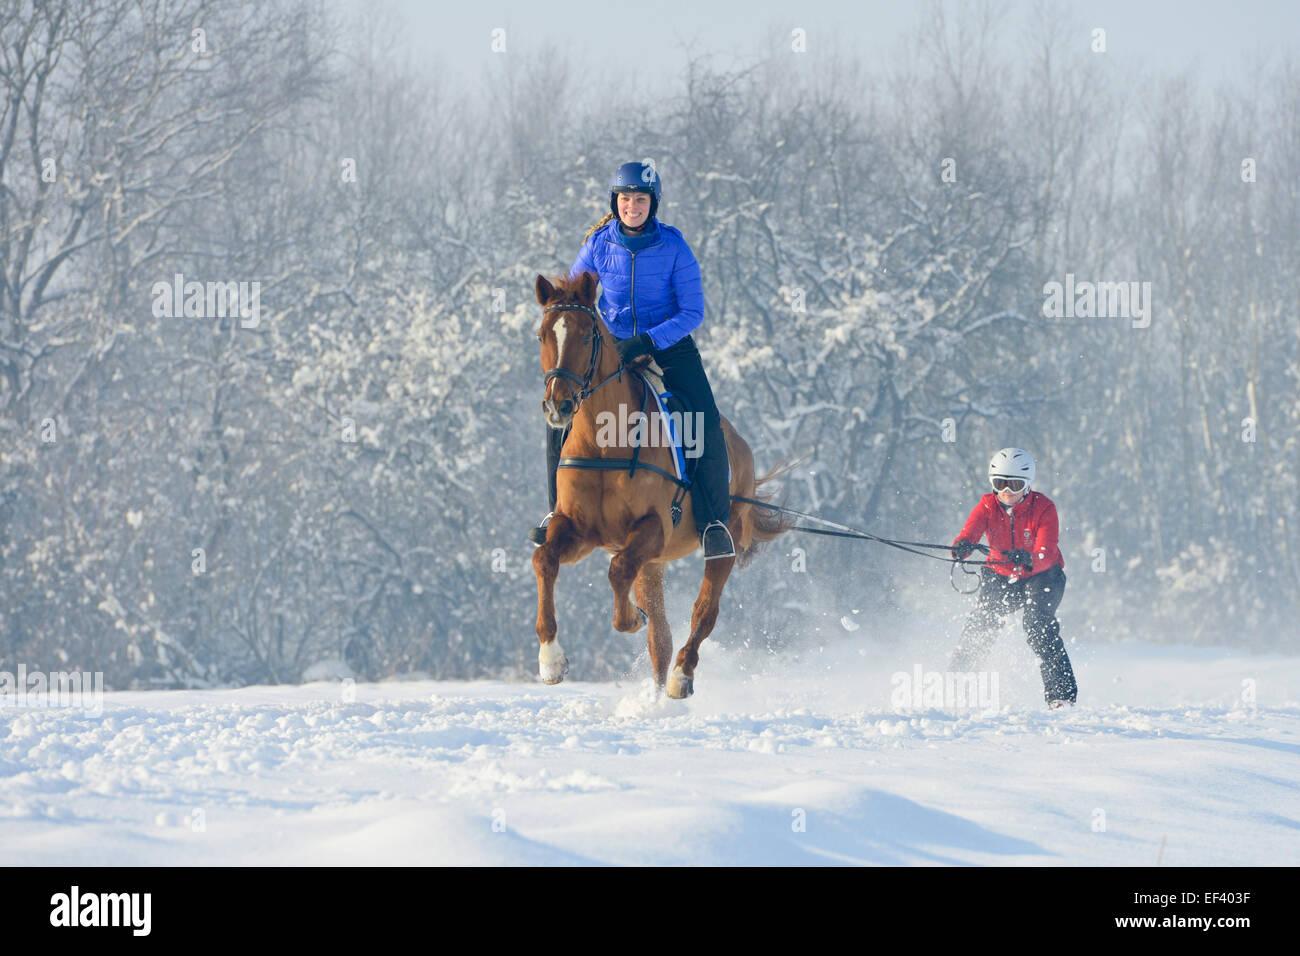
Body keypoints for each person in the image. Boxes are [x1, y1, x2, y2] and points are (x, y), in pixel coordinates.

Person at [529, 161, 735, 559]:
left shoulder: (674, 246)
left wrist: (647, 340)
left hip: (669, 347)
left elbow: (692, 312)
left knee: (703, 417)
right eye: (625, 199)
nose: (632, 206)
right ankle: (556, 509)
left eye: (640, 199)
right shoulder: (598, 244)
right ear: (616, 202)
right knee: (561, 413)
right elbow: (576, 298)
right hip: (611, 349)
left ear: (652, 204)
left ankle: (712, 522)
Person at [949, 448, 1078, 707]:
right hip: (1000, 574)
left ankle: (1061, 696)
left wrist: (1029, 558)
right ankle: (957, 682)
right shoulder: (987, 506)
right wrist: (962, 546)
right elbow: (969, 533)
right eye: (1000, 483)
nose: (1007, 490)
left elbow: (1047, 549)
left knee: (1037, 625)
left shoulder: (1044, 508)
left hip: (1043, 577)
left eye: (1015, 484)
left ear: (1027, 485)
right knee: (982, 622)